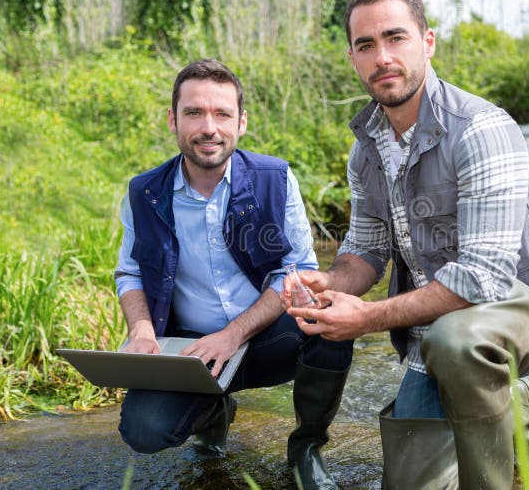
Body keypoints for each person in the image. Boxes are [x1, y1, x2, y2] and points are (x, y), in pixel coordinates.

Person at [283, 0, 529, 489]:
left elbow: (484, 281)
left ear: (427, 42)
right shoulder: (366, 151)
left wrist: (368, 317)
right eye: (366, 45)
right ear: (353, 59)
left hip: (525, 315)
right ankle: (509, 403)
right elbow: (365, 252)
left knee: (458, 343)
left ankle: (496, 456)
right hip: (434, 334)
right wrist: (328, 283)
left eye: (396, 38)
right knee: (409, 483)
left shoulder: (481, 129)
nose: (382, 57)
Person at [114, 59, 352, 489]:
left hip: (266, 339)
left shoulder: (275, 179)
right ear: (173, 120)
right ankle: (214, 411)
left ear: (241, 122)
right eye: (194, 113)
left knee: (331, 320)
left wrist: (234, 334)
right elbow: (129, 273)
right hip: (191, 350)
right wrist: (143, 332)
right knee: (144, 430)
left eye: (222, 114)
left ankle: (306, 449)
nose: (209, 127)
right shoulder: (143, 192)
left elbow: (296, 270)